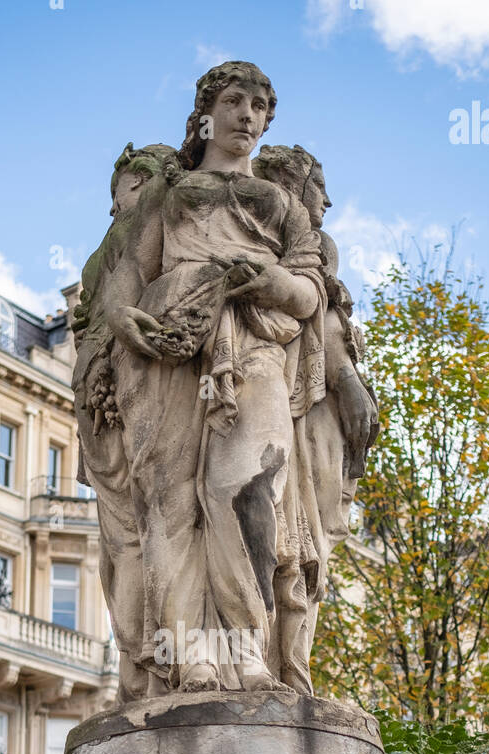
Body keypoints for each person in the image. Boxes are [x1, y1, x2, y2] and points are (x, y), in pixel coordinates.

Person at [104, 61, 328, 694]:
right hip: (167, 349)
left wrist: (273, 281)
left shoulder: (279, 205)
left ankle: (246, 650)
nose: (248, 116)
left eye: (260, 107)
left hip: (254, 344)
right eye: (235, 101)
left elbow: (310, 292)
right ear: (205, 113)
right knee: (170, 502)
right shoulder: (170, 197)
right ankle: (191, 656)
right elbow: (128, 269)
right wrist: (125, 320)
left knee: (248, 491)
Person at [252, 144, 380, 684]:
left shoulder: (307, 243)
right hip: (299, 405)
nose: (327, 197)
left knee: (308, 544)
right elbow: (317, 322)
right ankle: (277, 665)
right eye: (317, 184)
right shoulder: (300, 239)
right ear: (291, 185)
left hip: (310, 407)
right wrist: (347, 379)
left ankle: (290, 665)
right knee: (292, 539)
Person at [71, 142, 178, 701]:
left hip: (104, 382)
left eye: (125, 191)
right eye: (116, 196)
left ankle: (144, 673)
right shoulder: (130, 236)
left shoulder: (154, 218)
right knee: (147, 528)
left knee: (133, 538)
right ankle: (152, 668)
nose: (117, 206)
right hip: (115, 382)